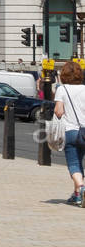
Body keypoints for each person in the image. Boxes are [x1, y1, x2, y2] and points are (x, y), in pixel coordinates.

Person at [54, 59, 85, 206]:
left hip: (70, 131)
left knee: (74, 163)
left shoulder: (62, 89)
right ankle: (77, 195)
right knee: (80, 162)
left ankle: (81, 187)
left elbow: (58, 111)